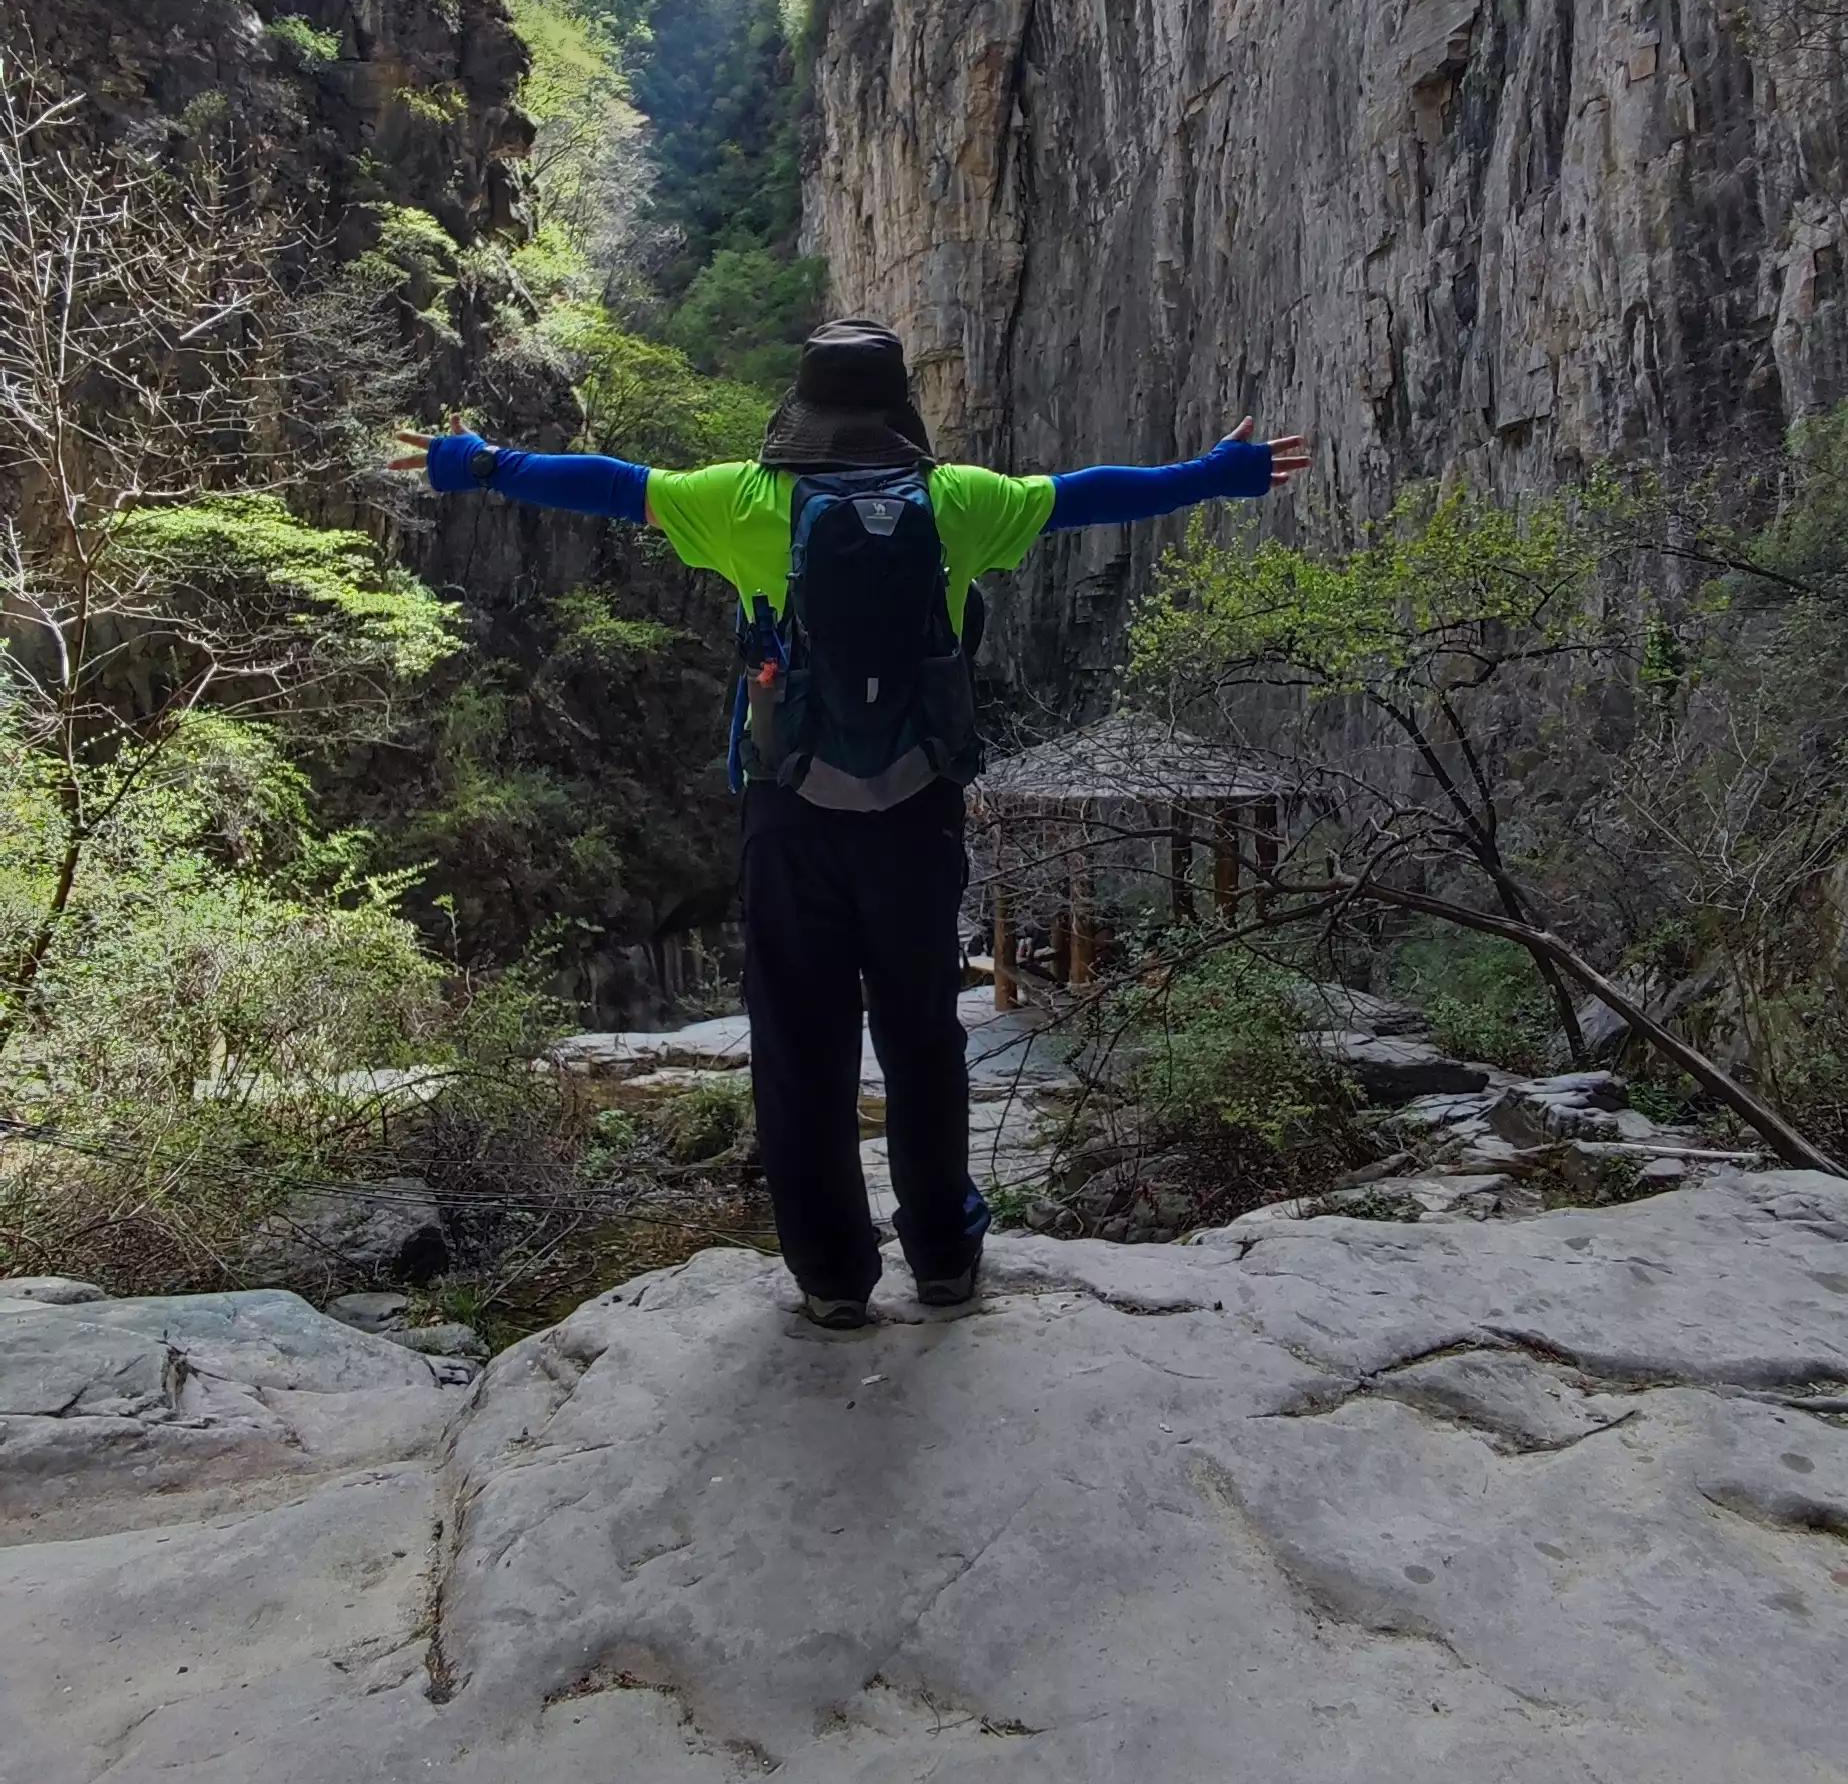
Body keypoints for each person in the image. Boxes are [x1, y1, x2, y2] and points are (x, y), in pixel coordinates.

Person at [391, 318, 1308, 1331]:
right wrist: (1215, 475)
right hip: (917, 815)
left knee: (801, 1045)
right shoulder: (958, 501)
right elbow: (1091, 495)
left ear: (803, 408)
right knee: (922, 1036)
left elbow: (610, 484)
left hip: (792, 815)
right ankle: (945, 1257)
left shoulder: (743, 499)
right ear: (897, 408)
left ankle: (832, 1276)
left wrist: (478, 464)